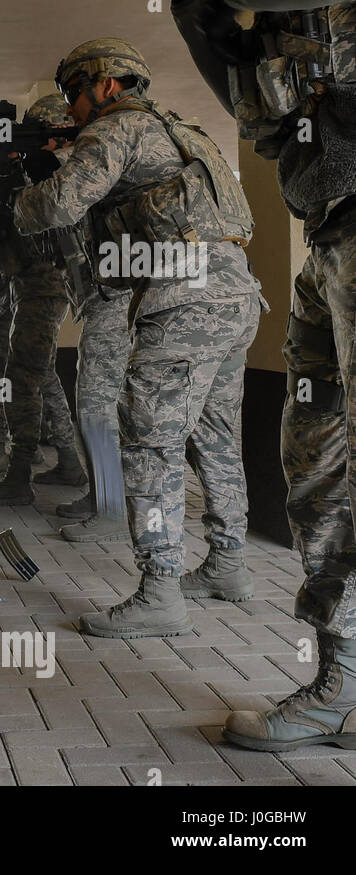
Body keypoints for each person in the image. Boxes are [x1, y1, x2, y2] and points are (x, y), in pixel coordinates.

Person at [0, 37, 262, 638]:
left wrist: (17, 199)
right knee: (217, 438)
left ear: (106, 85)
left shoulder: (116, 129)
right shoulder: (184, 132)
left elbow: (55, 207)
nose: (72, 110)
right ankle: (228, 566)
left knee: (149, 446)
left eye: (74, 95)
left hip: (184, 300)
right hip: (234, 292)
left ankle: (160, 591)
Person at [173, 0, 356, 750]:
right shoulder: (298, 26)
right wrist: (221, 42)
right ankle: (341, 684)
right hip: (331, 237)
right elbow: (268, 125)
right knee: (317, 465)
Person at [0, 95, 86, 504]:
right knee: (41, 376)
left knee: (21, 378)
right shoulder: (31, 174)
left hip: (46, 284)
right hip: (26, 286)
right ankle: (69, 464)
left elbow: (51, 210)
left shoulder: (63, 169)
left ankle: (19, 476)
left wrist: (5, 180)